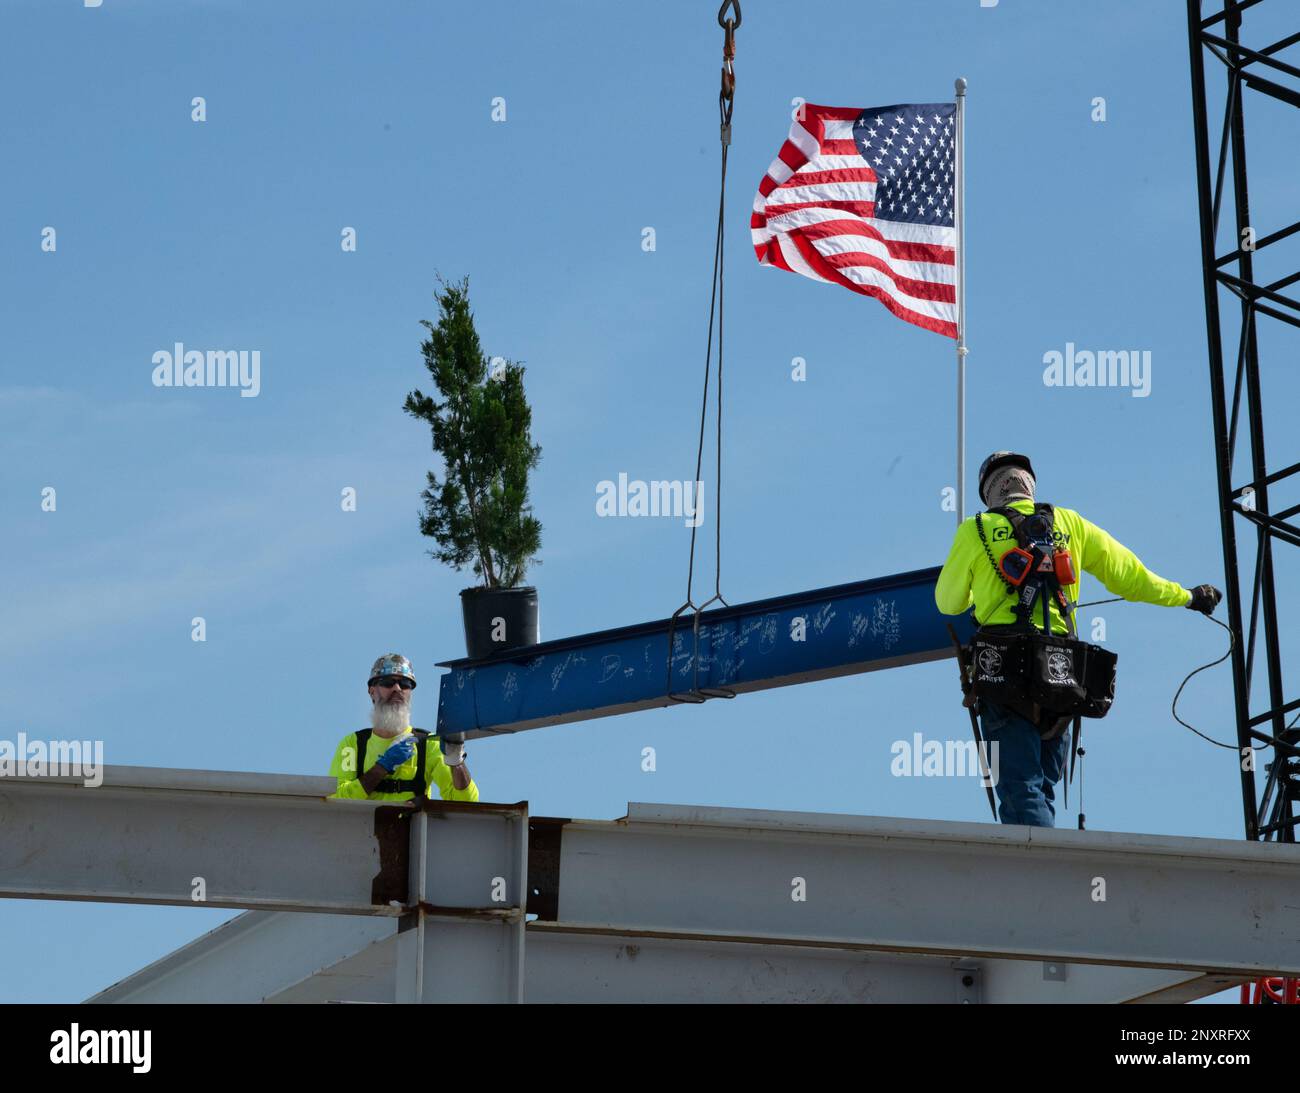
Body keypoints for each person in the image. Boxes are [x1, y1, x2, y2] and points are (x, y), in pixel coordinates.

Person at [935, 451, 1221, 827]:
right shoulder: (1070, 523)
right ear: (1029, 486)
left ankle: (1038, 881)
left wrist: (980, 594)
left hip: (1003, 672)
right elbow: (1131, 577)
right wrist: (1186, 596)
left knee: (1021, 789)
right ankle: (1056, 872)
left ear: (989, 492)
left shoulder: (976, 529)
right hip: (1062, 674)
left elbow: (947, 602)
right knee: (1045, 788)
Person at [328, 653, 479, 803]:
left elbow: (467, 802)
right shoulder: (352, 745)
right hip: (365, 826)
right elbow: (335, 798)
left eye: (405, 684)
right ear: (372, 691)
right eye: (388, 682)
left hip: (412, 827)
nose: (397, 689)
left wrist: (456, 761)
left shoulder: (430, 745)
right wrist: (381, 768)